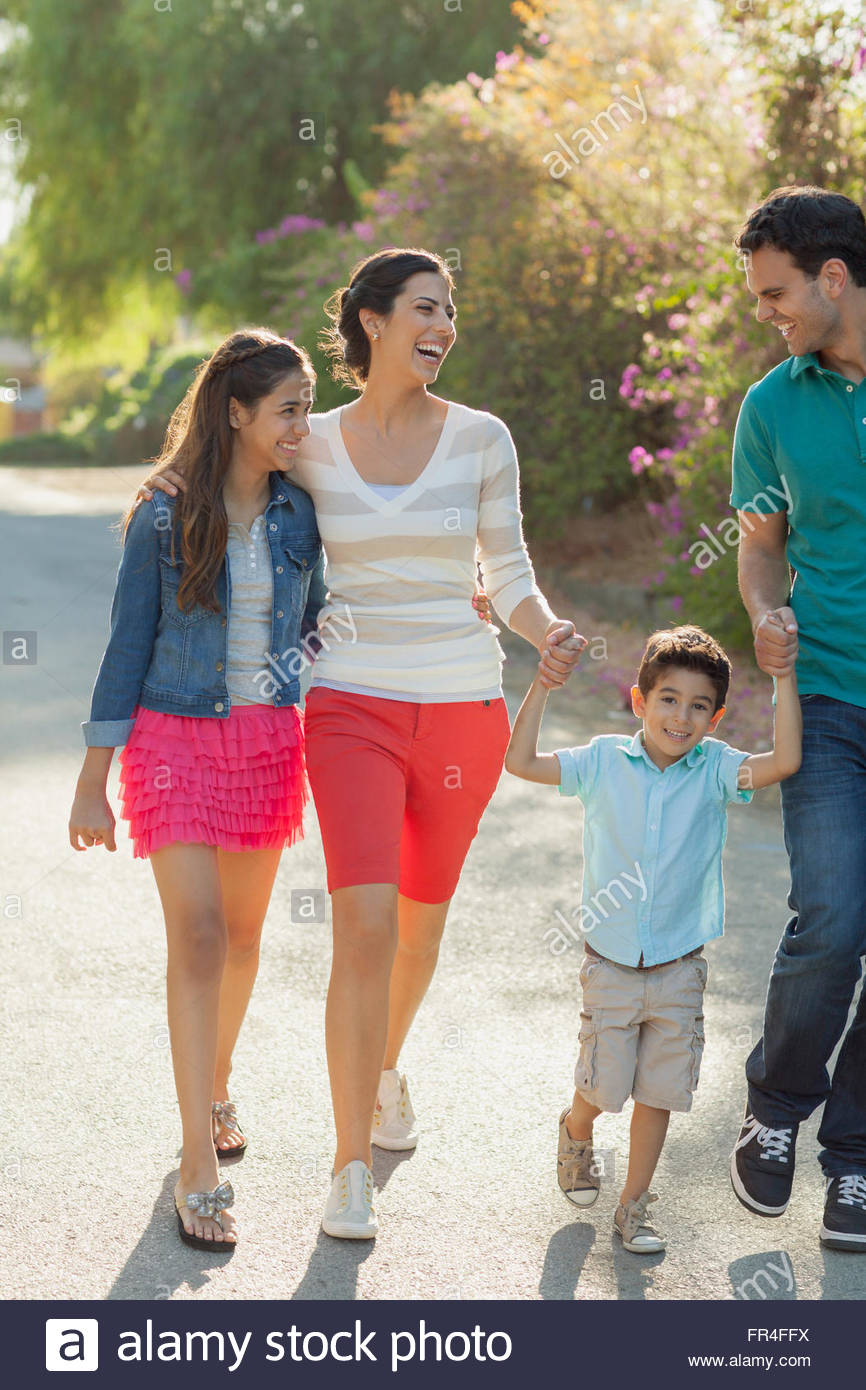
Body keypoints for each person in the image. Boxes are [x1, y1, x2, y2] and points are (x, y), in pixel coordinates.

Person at [138, 246, 584, 1240]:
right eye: (428, 307)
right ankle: (346, 1165)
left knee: (420, 929)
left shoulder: (480, 438)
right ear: (372, 322)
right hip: (349, 708)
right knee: (365, 926)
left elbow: (504, 567)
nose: (445, 325)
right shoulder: (314, 442)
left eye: (452, 312)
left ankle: (384, 1070)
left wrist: (539, 626)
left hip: (464, 707)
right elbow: (233, 469)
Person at [69, 330, 323, 1251]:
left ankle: (216, 1084)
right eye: (289, 408)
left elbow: (324, 618)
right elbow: (124, 648)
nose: (305, 423)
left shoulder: (303, 510)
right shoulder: (164, 516)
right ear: (237, 413)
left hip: (266, 739)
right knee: (201, 935)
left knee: (247, 937)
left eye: (307, 405)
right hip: (174, 735)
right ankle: (195, 1161)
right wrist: (93, 782)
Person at [505, 625, 801, 1252]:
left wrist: (783, 676)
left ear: (715, 717)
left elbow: (785, 763)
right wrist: (542, 684)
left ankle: (633, 1207)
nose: (681, 715)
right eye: (668, 699)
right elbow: (521, 762)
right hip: (610, 965)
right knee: (603, 1091)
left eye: (699, 706)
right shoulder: (602, 761)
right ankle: (576, 1128)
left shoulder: (718, 770)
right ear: (639, 702)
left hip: (679, 968)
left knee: (659, 1094)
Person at [729, 185, 866, 1251]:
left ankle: (854, 1157)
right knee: (828, 918)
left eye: (776, 296)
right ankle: (774, 1110)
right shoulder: (772, 403)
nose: (765, 315)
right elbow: (761, 541)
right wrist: (765, 613)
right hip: (822, 692)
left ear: (832, 277)